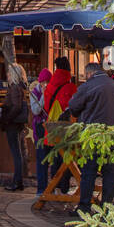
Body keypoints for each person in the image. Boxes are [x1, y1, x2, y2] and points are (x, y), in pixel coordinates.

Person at [61, 61, 114, 213]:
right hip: (112, 135)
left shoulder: (88, 86)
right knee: (109, 171)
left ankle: (84, 206)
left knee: (89, 172)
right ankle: (108, 206)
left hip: (92, 135)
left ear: (89, 73)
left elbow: (74, 107)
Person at [43, 56, 77, 192]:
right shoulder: (71, 87)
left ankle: (54, 186)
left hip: (51, 127)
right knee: (67, 158)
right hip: (67, 128)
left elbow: (46, 107)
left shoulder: (50, 86)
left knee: (55, 158)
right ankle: (64, 187)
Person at [0, 62, 29, 192]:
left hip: (13, 122)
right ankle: (18, 181)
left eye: (8, 72)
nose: (6, 74)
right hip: (17, 122)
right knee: (17, 152)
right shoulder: (20, 87)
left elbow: (16, 106)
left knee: (16, 152)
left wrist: (7, 118)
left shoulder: (15, 88)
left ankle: (17, 181)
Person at [29, 67, 52, 196]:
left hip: (51, 129)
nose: (46, 85)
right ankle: (41, 189)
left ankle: (52, 187)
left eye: (48, 82)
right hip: (40, 130)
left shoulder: (52, 90)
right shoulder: (35, 93)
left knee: (52, 159)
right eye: (43, 82)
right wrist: (44, 95)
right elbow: (36, 110)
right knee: (41, 159)